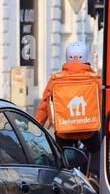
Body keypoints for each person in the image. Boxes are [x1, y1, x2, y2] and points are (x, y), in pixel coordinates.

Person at [35, 41, 101, 173]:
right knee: (96, 149)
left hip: (63, 130)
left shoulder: (55, 80)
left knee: (61, 155)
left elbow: (44, 104)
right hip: (88, 130)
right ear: (86, 58)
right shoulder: (96, 80)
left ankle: (64, 176)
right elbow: (104, 103)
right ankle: (93, 176)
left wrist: (37, 125)